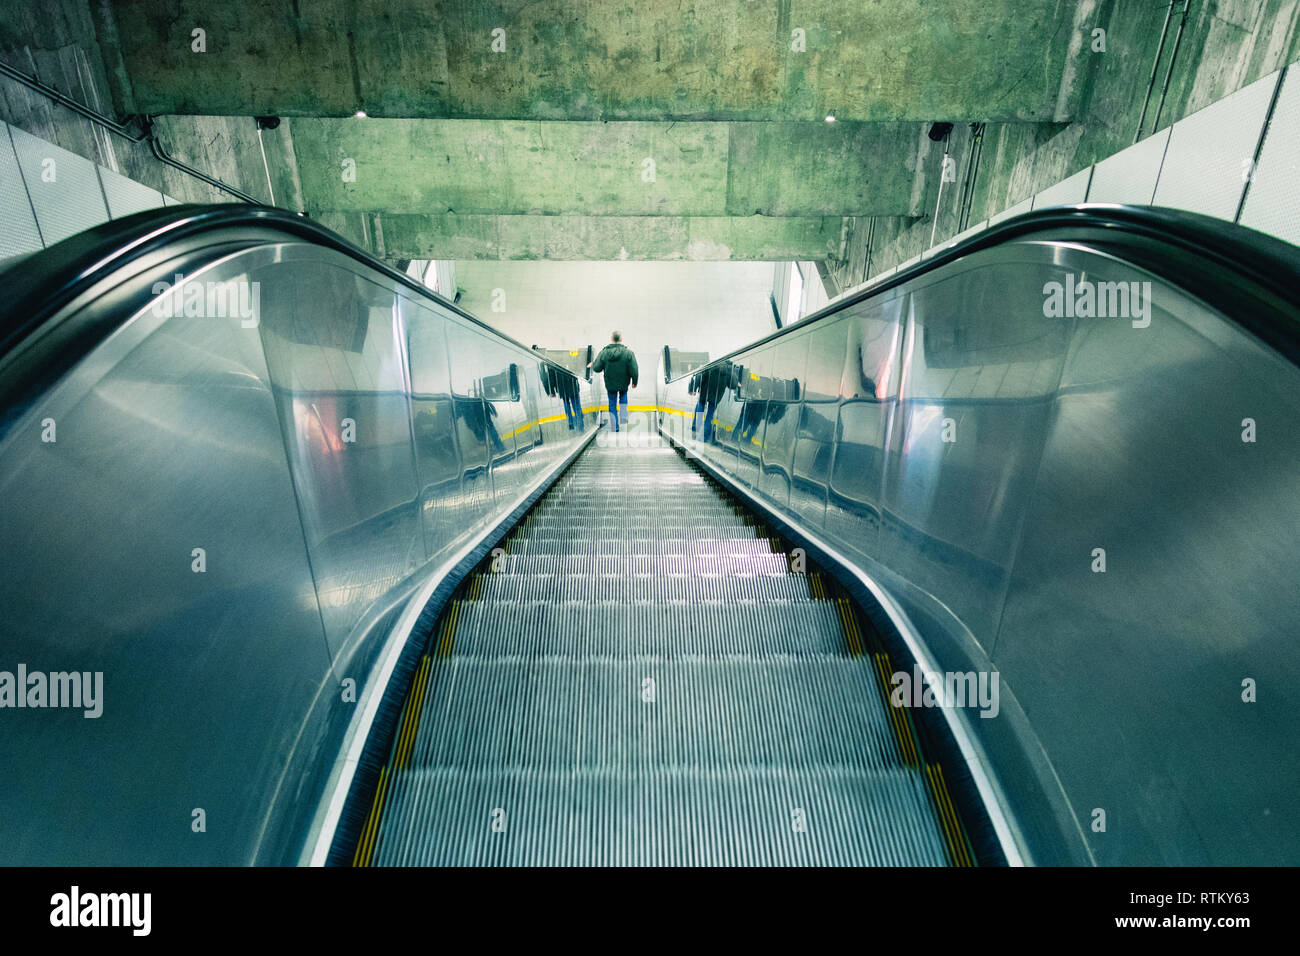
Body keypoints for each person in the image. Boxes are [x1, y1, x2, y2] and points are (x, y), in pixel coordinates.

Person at [590, 331, 638, 432]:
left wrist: (593, 364)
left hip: (610, 383)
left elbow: (597, 368)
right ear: (621, 339)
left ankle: (614, 426)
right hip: (624, 382)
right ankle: (623, 417)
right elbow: (634, 369)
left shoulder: (604, 353)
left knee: (612, 403)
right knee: (623, 397)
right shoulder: (629, 353)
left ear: (611, 339)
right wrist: (635, 381)